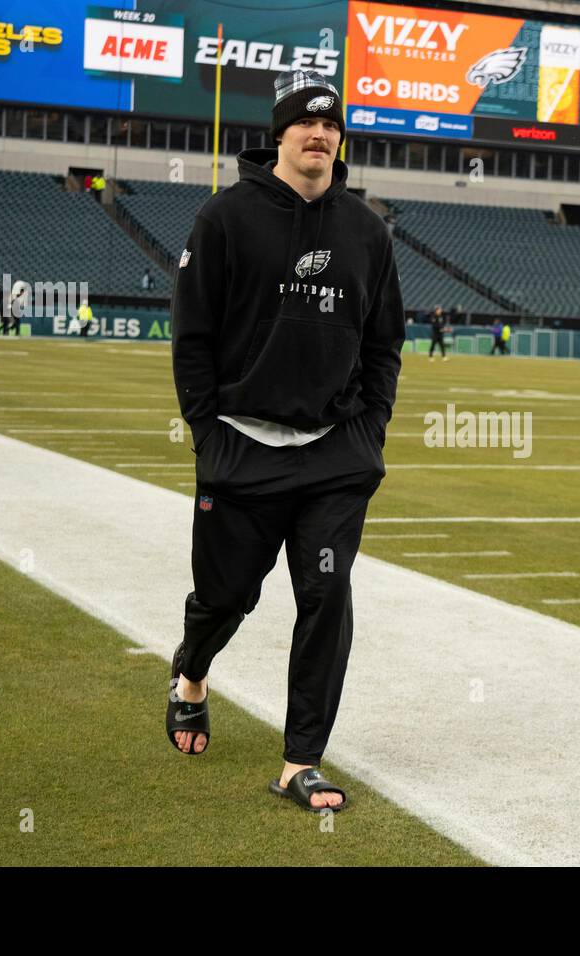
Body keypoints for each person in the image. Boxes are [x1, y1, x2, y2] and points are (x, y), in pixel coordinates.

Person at [169, 68, 404, 813]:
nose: (320, 135)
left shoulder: (367, 230)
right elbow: (192, 337)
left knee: (327, 595)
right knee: (226, 595)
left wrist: (369, 429)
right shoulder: (225, 219)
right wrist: (207, 433)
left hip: (333, 455)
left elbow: (385, 344)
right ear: (281, 134)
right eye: (307, 123)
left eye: (332, 126)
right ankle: (191, 674)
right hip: (240, 446)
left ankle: (300, 761)